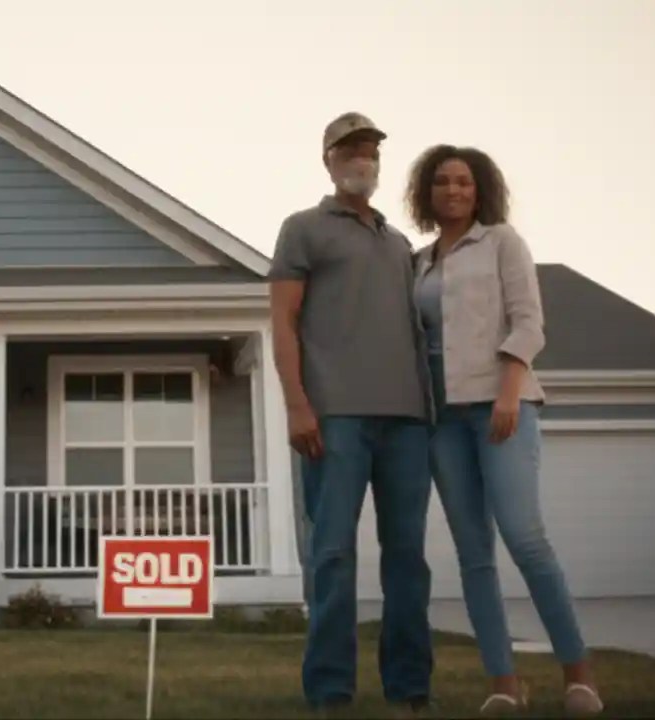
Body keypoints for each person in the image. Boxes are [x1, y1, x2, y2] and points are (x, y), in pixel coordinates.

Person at [405, 144, 604, 717]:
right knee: (474, 554)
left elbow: (529, 323)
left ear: (480, 188)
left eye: (464, 181)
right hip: (442, 420)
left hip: (500, 408)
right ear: (427, 193)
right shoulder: (420, 262)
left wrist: (510, 393)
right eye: (442, 182)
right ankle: (504, 683)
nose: (453, 191)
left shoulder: (502, 243)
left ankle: (580, 676)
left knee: (526, 539)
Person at [269, 112, 435, 716]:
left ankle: (410, 691)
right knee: (333, 554)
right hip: (334, 418)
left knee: (408, 561)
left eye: (371, 149)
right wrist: (297, 404)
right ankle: (331, 692)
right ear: (329, 160)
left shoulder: (399, 246)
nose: (363, 157)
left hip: (408, 423)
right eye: (351, 148)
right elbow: (283, 323)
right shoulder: (304, 229)